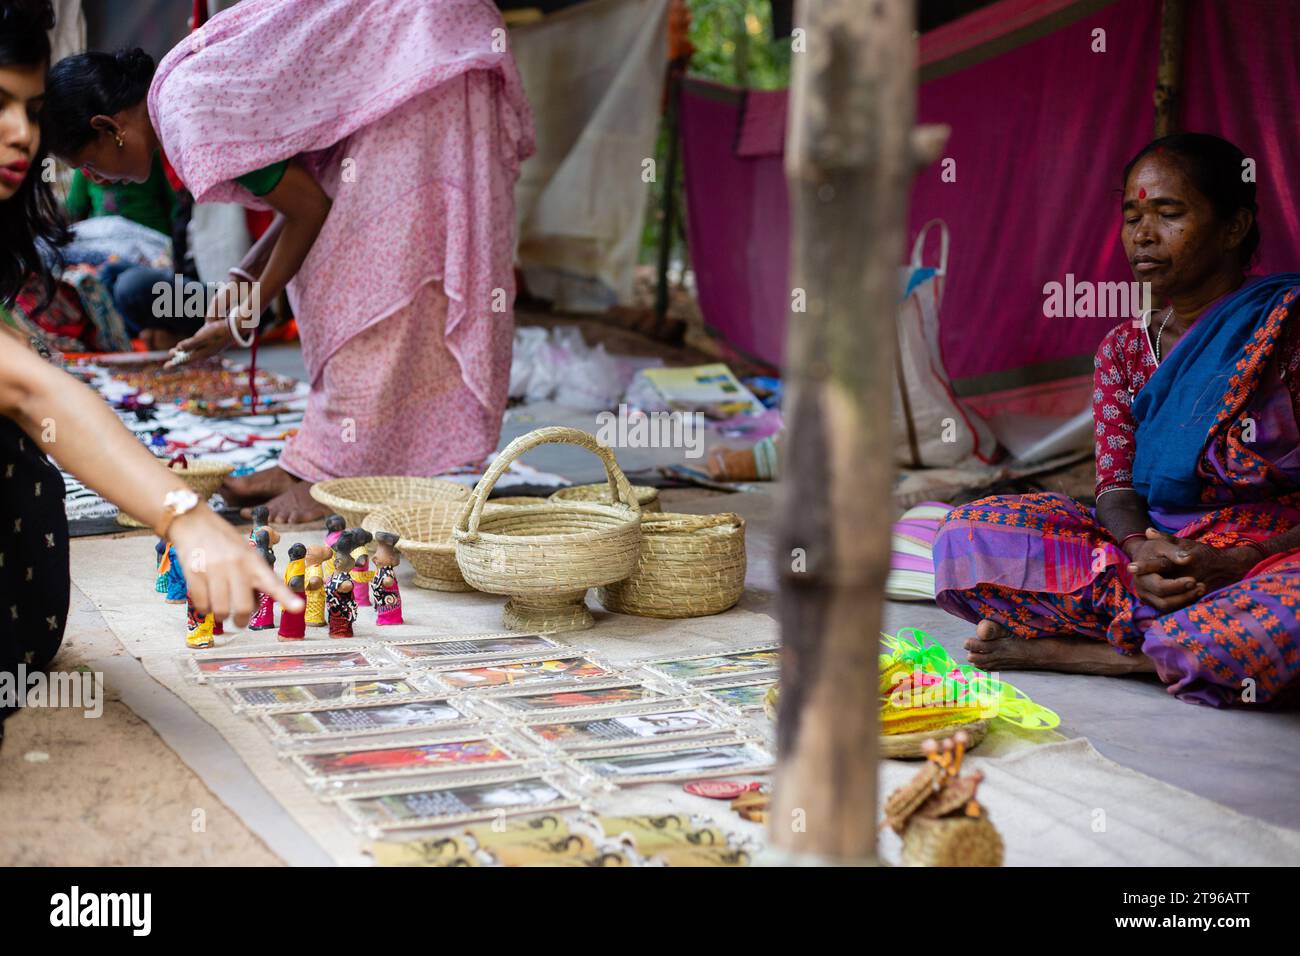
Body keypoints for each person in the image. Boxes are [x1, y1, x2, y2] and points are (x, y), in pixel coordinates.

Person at [42, 0, 535, 523]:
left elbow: (311, 208)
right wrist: (243, 279)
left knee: (354, 289)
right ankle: (314, 463)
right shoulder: (174, 94)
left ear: (109, 127)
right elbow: (308, 195)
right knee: (340, 274)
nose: (96, 181)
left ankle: (335, 478)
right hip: (422, 52)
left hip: (426, 64)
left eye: (90, 165)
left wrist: (245, 314)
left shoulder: (184, 116)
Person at [0, 0, 300, 747]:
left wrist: (238, 306)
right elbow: (28, 388)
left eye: (28, 110)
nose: (18, 133)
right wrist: (185, 515)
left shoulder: (180, 128)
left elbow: (300, 210)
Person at [933, 133, 1300, 708]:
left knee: (1285, 613)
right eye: (1132, 217)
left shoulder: (1286, 328)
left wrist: (1235, 562)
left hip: (1268, 555)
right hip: (1155, 554)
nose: (1143, 236)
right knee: (967, 536)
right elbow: (1115, 484)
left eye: (1168, 213)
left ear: (1233, 227)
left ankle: (1108, 653)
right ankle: (1178, 638)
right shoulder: (1125, 349)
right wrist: (1137, 549)